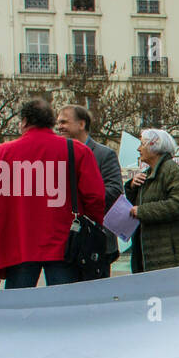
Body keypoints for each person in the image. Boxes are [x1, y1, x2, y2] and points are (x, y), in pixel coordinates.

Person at [0, 98, 105, 288]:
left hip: (17, 243)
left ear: (24, 122)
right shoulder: (77, 151)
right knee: (65, 307)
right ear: (51, 122)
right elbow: (95, 197)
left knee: (18, 308)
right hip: (65, 243)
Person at [57, 103, 124, 279]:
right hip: (65, 242)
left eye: (64, 122)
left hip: (94, 240)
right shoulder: (57, 153)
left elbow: (114, 190)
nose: (59, 127)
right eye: (58, 122)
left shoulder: (104, 154)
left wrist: (82, 199)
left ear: (82, 124)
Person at [126, 129, 179, 272]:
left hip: (173, 260)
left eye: (142, 144)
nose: (138, 149)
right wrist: (132, 187)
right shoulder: (149, 173)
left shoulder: (171, 170)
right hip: (158, 257)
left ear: (154, 145)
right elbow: (137, 204)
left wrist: (142, 211)